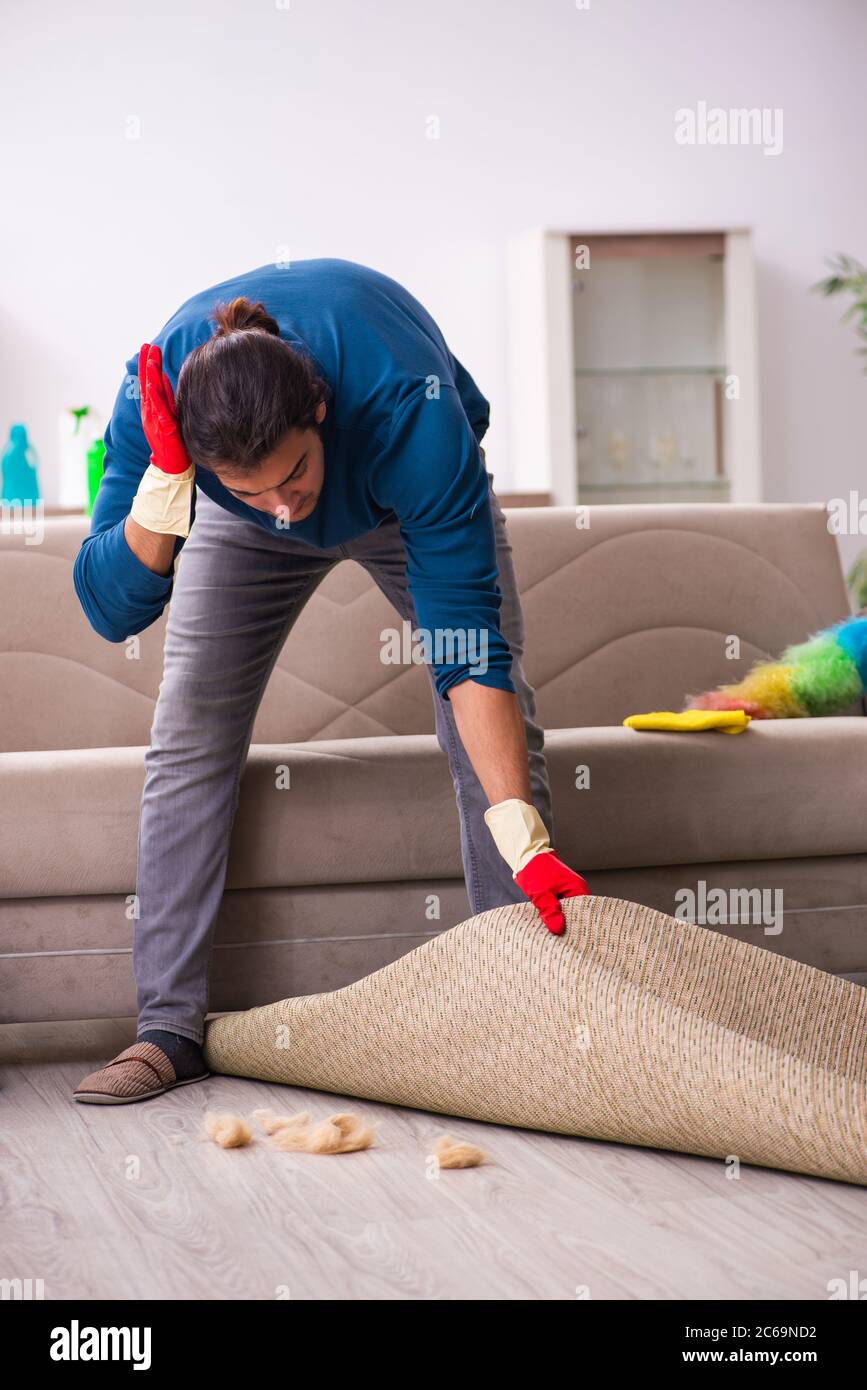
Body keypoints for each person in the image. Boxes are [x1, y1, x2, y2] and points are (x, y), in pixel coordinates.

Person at [72, 258, 588, 1104]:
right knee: (191, 727)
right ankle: (167, 1029)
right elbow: (109, 607)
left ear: (318, 410)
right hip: (224, 519)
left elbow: (469, 653)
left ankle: (524, 1004)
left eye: (292, 477)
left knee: (494, 721)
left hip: (394, 496)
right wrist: (169, 490)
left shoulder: (406, 411)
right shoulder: (155, 400)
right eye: (251, 486)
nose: (283, 505)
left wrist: (523, 836)